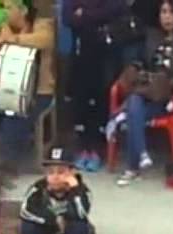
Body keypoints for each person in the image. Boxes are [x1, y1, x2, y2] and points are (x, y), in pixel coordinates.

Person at [111, 0, 173, 186]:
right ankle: (141, 154)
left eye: (170, 12)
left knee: (132, 108)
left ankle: (133, 167)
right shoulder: (151, 36)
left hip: (168, 98)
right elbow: (141, 61)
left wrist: (166, 84)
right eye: (163, 12)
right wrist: (138, 71)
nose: (166, 17)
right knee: (135, 102)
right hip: (146, 93)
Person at [0, 0, 57, 171]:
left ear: (23, 10)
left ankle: (4, 166)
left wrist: (15, 40)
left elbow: (45, 40)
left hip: (38, 92)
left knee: (15, 118)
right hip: (2, 87)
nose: (5, 11)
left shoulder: (42, 25)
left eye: (9, 7)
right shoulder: (1, 30)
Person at [65, 0, 136, 171]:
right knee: (81, 102)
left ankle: (98, 149)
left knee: (101, 100)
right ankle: (83, 148)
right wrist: (94, 15)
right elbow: (67, 18)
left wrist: (84, 13)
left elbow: (117, 8)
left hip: (107, 56)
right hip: (81, 56)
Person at [18, 145, 96, 234]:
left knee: (81, 227)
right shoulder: (37, 189)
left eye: (61, 172)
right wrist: (53, 220)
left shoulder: (82, 190)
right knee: (27, 227)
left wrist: (75, 190)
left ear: (72, 172)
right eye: (50, 172)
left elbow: (82, 213)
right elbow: (25, 211)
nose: (55, 177)